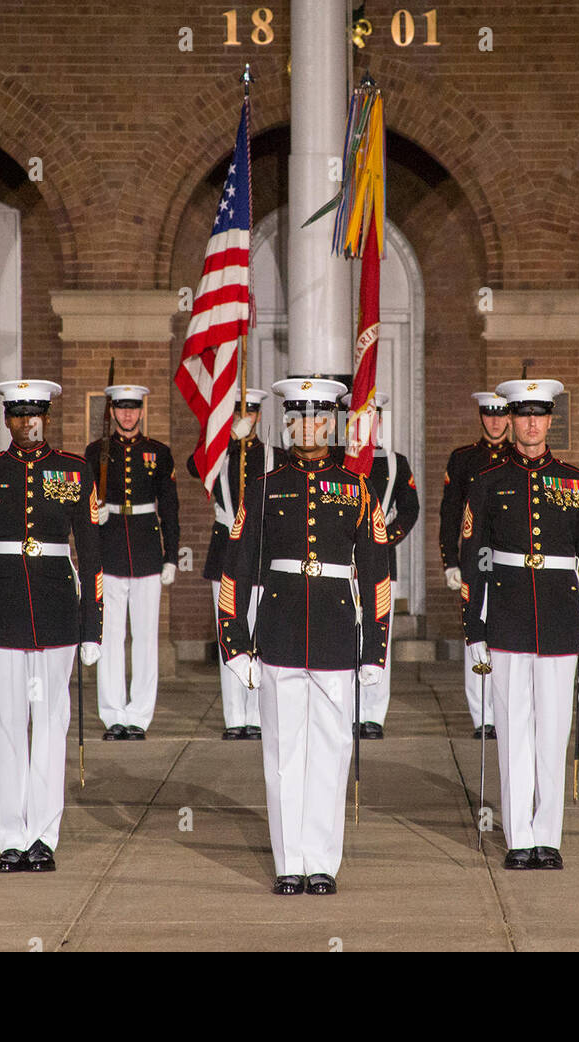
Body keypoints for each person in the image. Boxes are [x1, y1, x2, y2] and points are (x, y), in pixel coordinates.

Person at [217, 377, 391, 896]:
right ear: (286, 425)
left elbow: (377, 574)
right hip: (280, 635)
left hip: (338, 637)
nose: (307, 427)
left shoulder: (358, 488)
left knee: (332, 754)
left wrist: (375, 649)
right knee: (283, 754)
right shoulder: (264, 488)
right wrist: (236, 643)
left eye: (318, 418)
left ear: (333, 425)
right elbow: (237, 571)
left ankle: (321, 863)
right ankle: (288, 862)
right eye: (296, 418)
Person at [0, 379, 103, 873]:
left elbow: (92, 555)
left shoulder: (75, 471)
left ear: (47, 416)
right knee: (5, 726)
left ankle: (44, 836)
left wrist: (92, 628)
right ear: (7, 419)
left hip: (58, 613)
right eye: (18, 414)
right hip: (0, 615)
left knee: (49, 726)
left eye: (35, 413)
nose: (27, 422)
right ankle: (11, 838)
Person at [459, 378, 579, 871]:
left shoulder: (576, 480)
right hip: (507, 615)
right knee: (514, 728)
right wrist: (473, 627)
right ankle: (519, 836)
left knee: (552, 731)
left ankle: (549, 836)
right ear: (512, 419)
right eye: (523, 415)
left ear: (550, 420)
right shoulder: (488, 480)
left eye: (540, 415)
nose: (531, 424)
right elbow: (474, 555)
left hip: (561, 617)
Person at [86, 384, 179, 741]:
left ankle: (139, 716)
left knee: (144, 638)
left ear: (141, 411)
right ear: (112, 412)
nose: (127, 415)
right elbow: (85, 502)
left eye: (133, 408)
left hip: (145, 551)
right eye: (122, 408)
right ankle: (112, 715)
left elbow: (169, 508)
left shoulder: (158, 453)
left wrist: (171, 554)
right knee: (110, 637)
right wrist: (96, 512)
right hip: (109, 550)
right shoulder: (96, 452)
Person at [186, 386, 274, 740]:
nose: (245, 419)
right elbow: (194, 465)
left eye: (250, 413)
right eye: (239, 414)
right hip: (226, 550)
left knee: (260, 635)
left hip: (265, 554)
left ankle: (258, 714)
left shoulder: (274, 455)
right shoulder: (218, 454)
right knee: (230, 634)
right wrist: (222, 439)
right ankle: (235, 716)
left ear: (258, 416)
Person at [346, 392, 419, 739]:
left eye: (370, 417)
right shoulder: (335, 459)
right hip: (339, 564)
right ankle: (346, 706)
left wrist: (382, 540)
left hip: (379, 562)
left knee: (378, 635)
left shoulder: (394, 462)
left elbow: (410, 509)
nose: (364, 424)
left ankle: (372, 713)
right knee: (342, 634)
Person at [440, 390, 511, 738]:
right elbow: (450, 513)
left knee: (512, 633)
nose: (495, 421)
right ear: (481, 416)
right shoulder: (463, 458)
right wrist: (449, 561)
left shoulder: (519, 457)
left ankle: (508, 710)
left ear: (510, 417)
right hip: (477, 556)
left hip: (511, 557)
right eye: (489, 414)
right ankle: (484, 716)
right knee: (476, 629)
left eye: (501, 414)